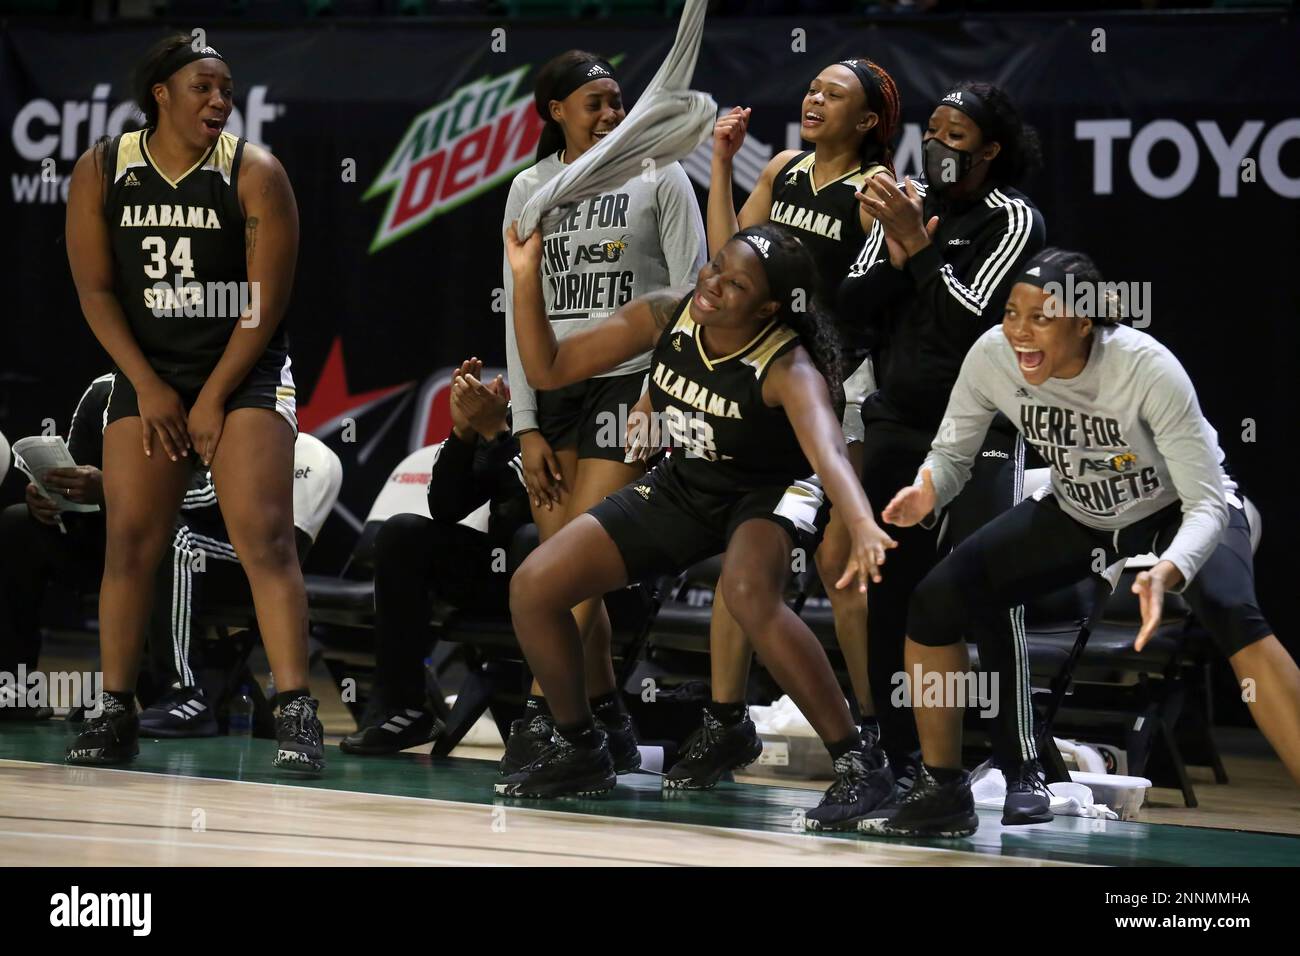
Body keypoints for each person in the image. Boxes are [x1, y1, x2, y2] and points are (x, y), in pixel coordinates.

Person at [864, 248, 1300, 837]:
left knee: (1230, 610)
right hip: (1082, 510)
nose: (1019, 330)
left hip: (1180, 511)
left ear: (1084, 321)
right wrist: (929, 491)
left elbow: (1204, 504)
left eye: (1040, 317)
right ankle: (942, 792)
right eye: (1012, 312)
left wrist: (1169, 568)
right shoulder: (993, 354)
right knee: (934, 602)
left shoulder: (1145, 367)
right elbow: (951, 455)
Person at [501, 220, 899, 829]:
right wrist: (525, 276)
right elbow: (550, 366)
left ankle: (859, 763)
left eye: (735, 285)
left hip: (769, 493)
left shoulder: (788, 369)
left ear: (768, 307)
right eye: (715, 266)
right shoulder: (670, 313)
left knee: (746, 593)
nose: (711, 285)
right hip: (687, 483)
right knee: (534, 585)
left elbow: (828, 455)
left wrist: (863, 523)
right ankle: (581, 747)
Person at [63, 34, 321, 770]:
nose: (219, 100)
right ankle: (115, 710)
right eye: (203, 87)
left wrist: (209, 398)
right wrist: (146, 385)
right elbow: (95, 290)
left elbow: (264, 304)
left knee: (264, 539)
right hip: (148, 371)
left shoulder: (253, 171)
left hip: (241, 370)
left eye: (227, 88)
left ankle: (297, 710)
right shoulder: (103, 169)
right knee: (131, 543)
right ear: (162, 94)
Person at [667, 58, 902, 788]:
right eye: (812, 87)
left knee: (840, 568)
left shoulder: (876, 193)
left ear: (867, 122)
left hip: (843, 388)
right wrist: (724, 164)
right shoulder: (787, 170)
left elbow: (886, 294)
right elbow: (726, 259)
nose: (813, 98)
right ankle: (724, 720)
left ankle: (874, 729)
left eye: (834, 94)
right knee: (748, 560)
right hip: (762, 380)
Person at [839, 81, 1047, 814]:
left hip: (981, 429)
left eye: (956, 137)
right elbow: (851, 305)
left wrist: (918, 247)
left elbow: (977, 328)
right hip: (898, 424)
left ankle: (1024, 766)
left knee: (991, 591)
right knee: (892, 596)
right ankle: (901, 764)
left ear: (990, 150)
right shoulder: (905, 198)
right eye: (933, 132)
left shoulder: (1012, 220)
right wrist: (898, 249)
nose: (938, 148)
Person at [500, 49, 708, 773]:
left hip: (631, 382)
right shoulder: (529, 186)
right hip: (555, 386)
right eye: (595, 102)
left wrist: (662, 393)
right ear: (554, 111)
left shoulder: (663, 175)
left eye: (618, 101)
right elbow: (516, 313)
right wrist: (524, 423)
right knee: (569, 573)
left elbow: (693, 297)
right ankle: (609, 718)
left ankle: (542, 717)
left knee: (573, 568)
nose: (612, 114)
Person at [340, 359, 531, 756]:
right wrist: (463, 433)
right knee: (403, 533)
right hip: (506, 576)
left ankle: (558, 722)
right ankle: (404, 709)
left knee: (531, 540)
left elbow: (549, 496)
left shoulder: (600, 416)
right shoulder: (513, 415)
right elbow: (445, 507)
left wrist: (498, 434)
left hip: (577, 583)